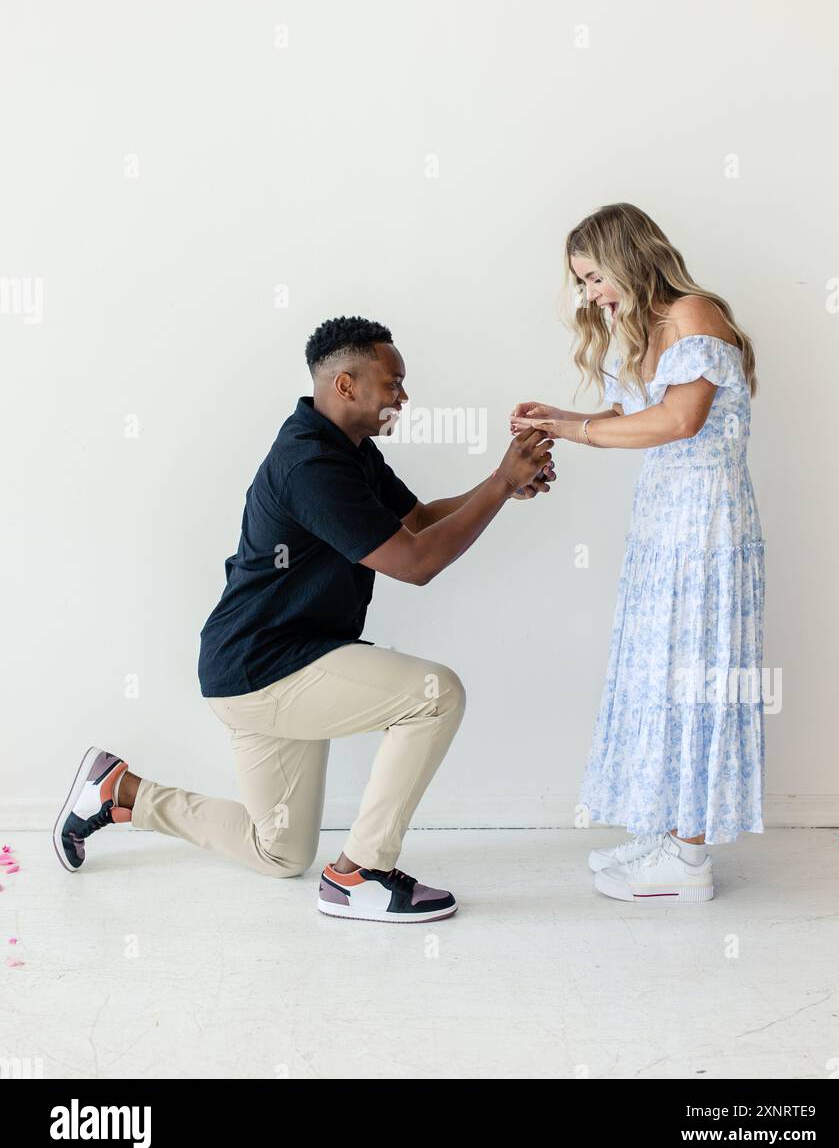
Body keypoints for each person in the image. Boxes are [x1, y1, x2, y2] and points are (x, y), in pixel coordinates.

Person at [53, 316, 555, 923]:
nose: (403, 396)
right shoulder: (309, 465)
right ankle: (360, 874)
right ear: (346, 385)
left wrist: (503, 486)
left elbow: (418, 521)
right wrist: (500, 484)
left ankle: (119, 793)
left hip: (263, 665)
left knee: (279, 852)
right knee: (435, 694)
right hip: (264, 667)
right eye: (393, 382)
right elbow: (416, 563)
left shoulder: (347, 451)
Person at [512, 203, 765, 903]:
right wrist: (560, 423)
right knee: (661, 669)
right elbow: (640, 418)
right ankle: (667, 832)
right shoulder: (652, 326)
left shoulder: (693, 314)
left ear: (626, 256)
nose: (590, 294)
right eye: (582, 282)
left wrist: (582, 431)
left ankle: (688, 860)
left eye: (593, 277)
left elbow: (681, 420)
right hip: (667, 523)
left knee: (693, 670)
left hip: (707, 527)